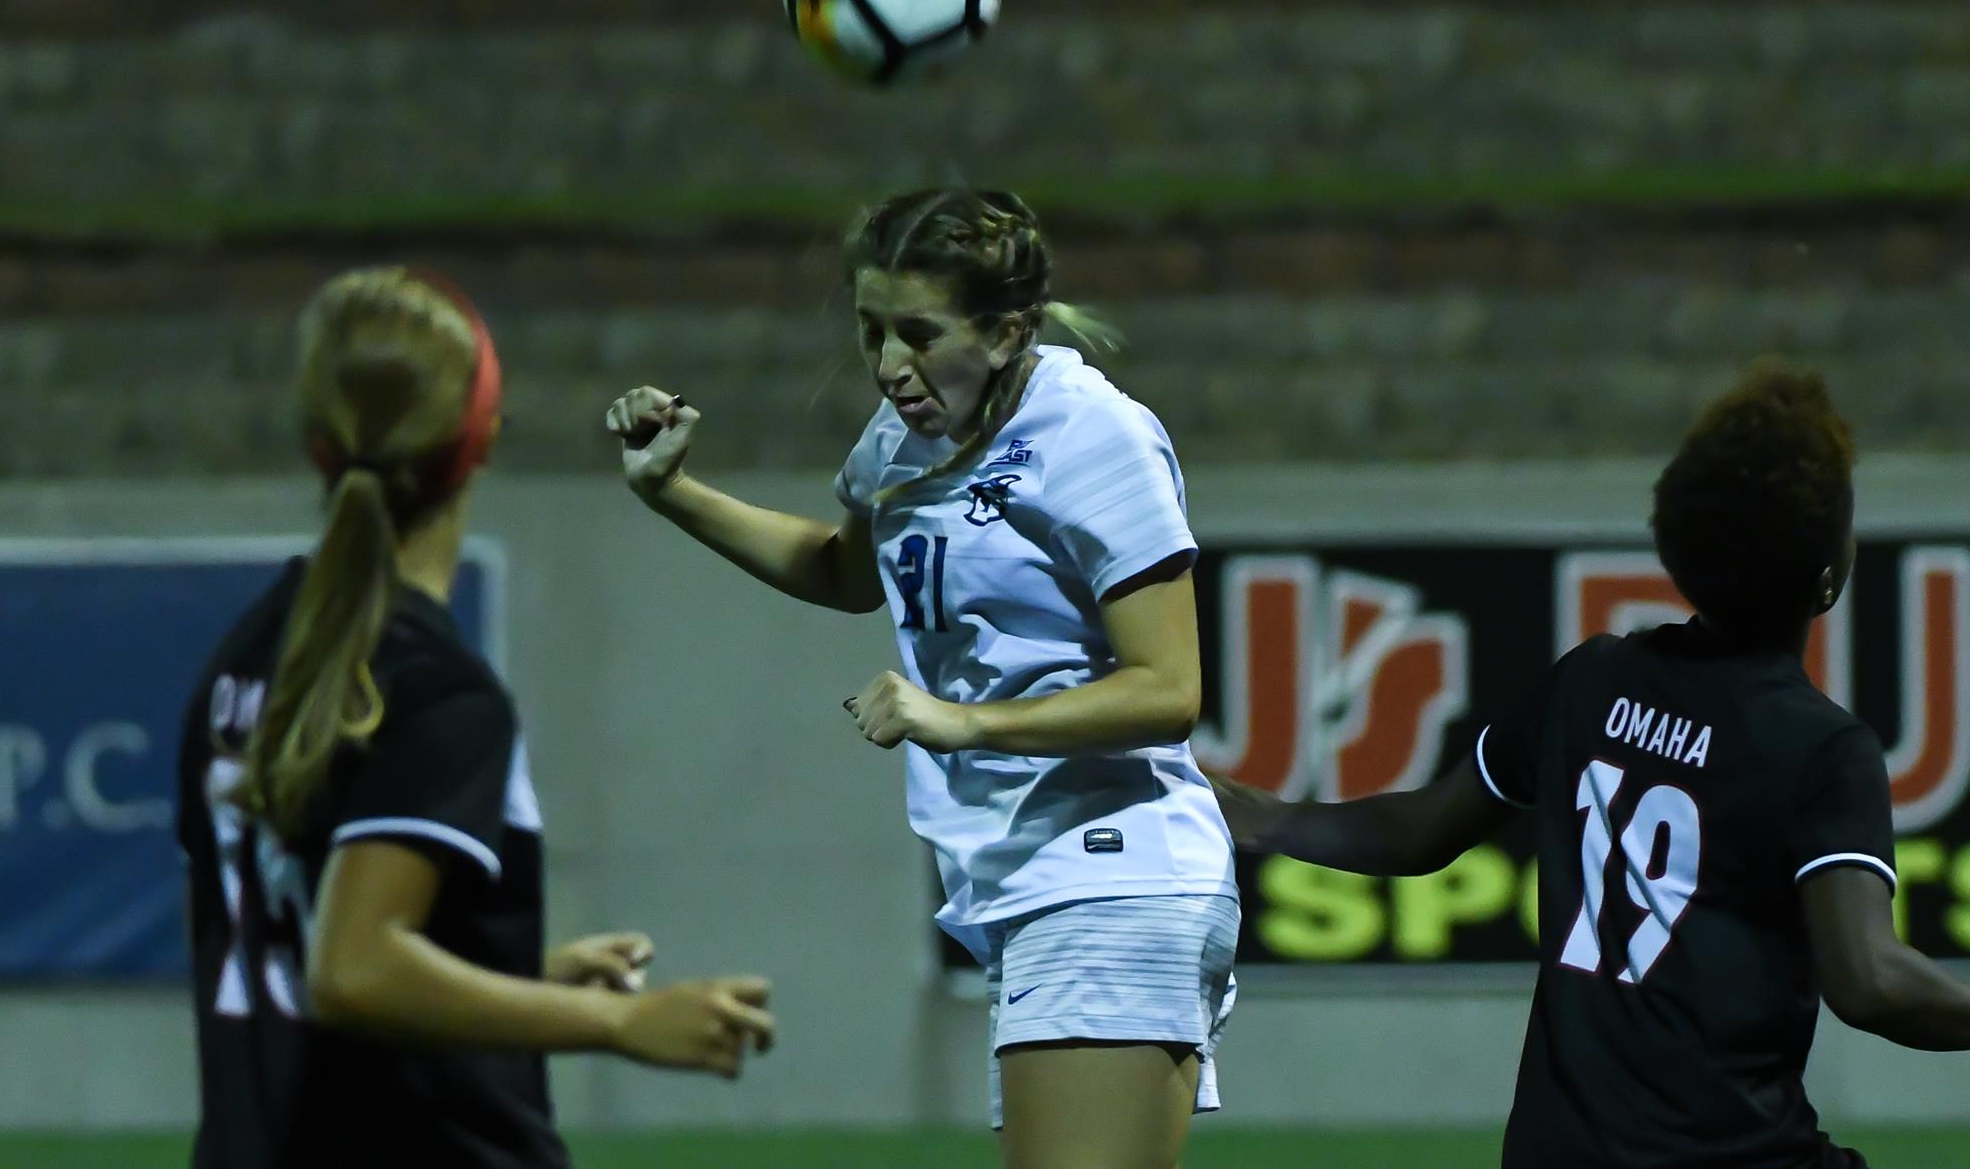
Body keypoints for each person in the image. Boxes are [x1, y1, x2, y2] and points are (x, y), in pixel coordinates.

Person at [606, 188, 1237, 1169]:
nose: (888, 364)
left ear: (1008, 330)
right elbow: (842, 570)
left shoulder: (1092, 435)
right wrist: (673, 492)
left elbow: (1168, 688)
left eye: (918, 333)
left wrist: (964, 720)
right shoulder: (903, 437)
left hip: (1113, 868)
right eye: (870, 329)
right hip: (1026, 877)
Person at [1212, 363, 1970, 1168]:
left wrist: (1272, 818)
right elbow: (1869, 979)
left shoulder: (1592, 682)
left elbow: (1420, 830)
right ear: (1827, 578)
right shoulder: (1824, 749)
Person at [178, 268, 774, 1169]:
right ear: (482, 435)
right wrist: (617, 1020)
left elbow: (303, 952)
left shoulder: (246, 659)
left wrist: (520, 977)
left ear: (315, 441)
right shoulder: (435, 688)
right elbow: (353, 966)